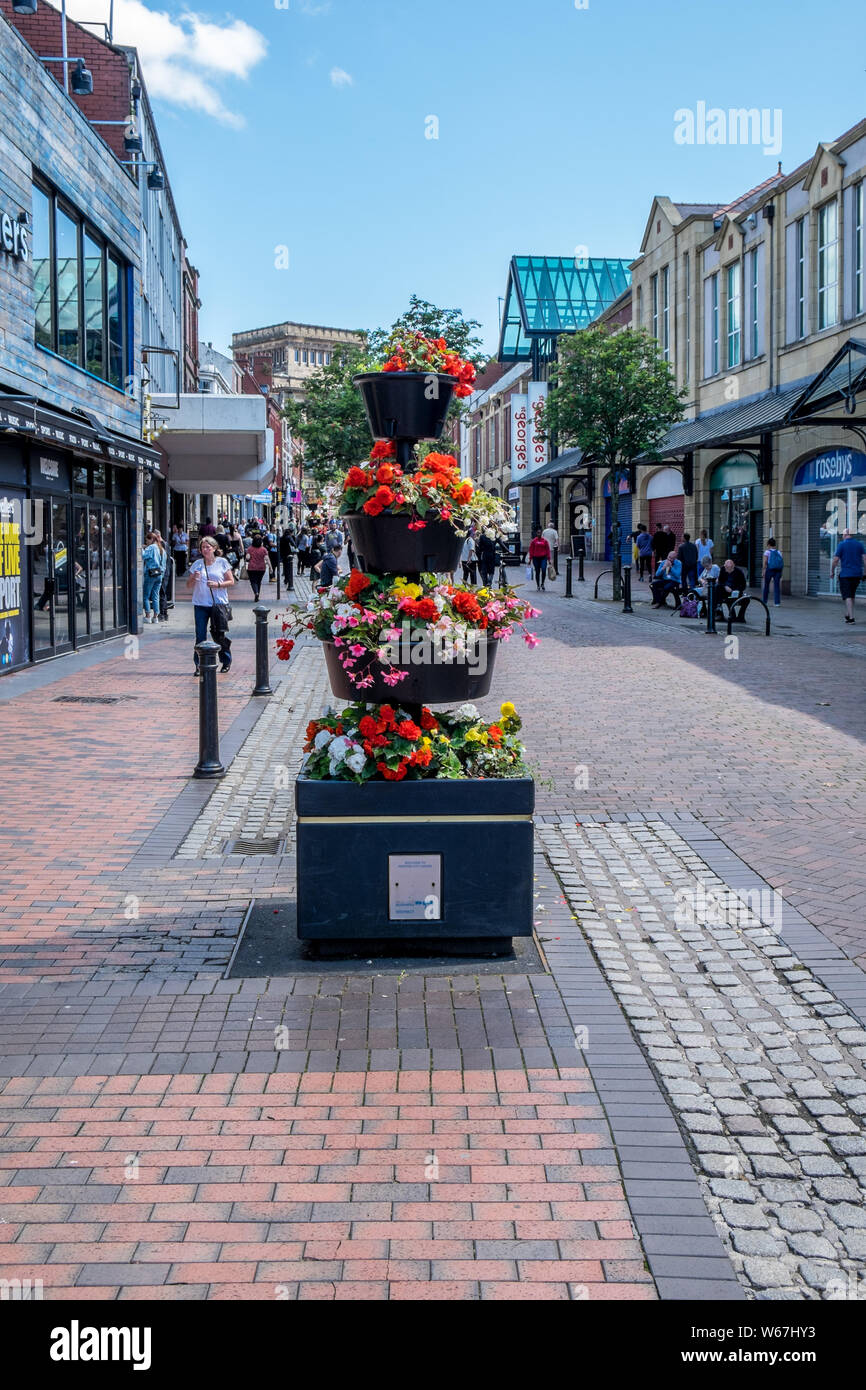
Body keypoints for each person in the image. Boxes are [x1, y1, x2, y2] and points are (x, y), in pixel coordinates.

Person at [187, 535, 234, 673]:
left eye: (208, 547)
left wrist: (218, 584)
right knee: (200, 635)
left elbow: (231, 581)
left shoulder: (222, 562)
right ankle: (199, 665)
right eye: (203, 547)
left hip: (218, 604)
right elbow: (188, 585)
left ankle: (225, 660)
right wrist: (194, 579)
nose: (205, 549)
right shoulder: (197, 565)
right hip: (200, 604)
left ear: (214, 548)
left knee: (219, 635)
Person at [831, 527, 866, 623]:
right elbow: (865, 559)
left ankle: (851, 618)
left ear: (846, 534)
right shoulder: (859, 544)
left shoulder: (842, 545)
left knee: (847, 595)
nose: (842, 536)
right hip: (857, 574)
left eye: (843, 534)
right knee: (851, 595)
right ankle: (848, 613)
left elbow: (835, 560)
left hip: (845, 575)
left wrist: (832, 571)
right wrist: (865, 572)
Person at [142, 530, 165, 623]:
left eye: (147, 540)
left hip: (150, 573)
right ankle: (155, 617)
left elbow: (143, 556)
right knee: (156, 596)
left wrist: (142, 548)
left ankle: (147, 616)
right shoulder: (161, 548)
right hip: (159, 574)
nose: (146, 542)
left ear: (151, 539)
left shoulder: (151, 548)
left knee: (146, 596)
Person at [762, 538, 784, 607]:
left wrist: (763, 571)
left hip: (769, 570)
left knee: (766, 586)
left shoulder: (767, 552)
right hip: (777, 570)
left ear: (768, 544)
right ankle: (777, 603)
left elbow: (765, 562)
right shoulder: (778, 552)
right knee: (776, 586)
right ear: (775, 544)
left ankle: (764, 601)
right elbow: (781, 562)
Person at [246, 534, 269, 600]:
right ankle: (257, 593)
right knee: (259, 581)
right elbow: (267, 559)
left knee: (253, 581)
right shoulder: (264, 549)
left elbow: (247, 557)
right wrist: (270, 568)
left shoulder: (250, 549)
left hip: (252, 567)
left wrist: (247, 557)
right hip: (261, 568)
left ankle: (256, 592)